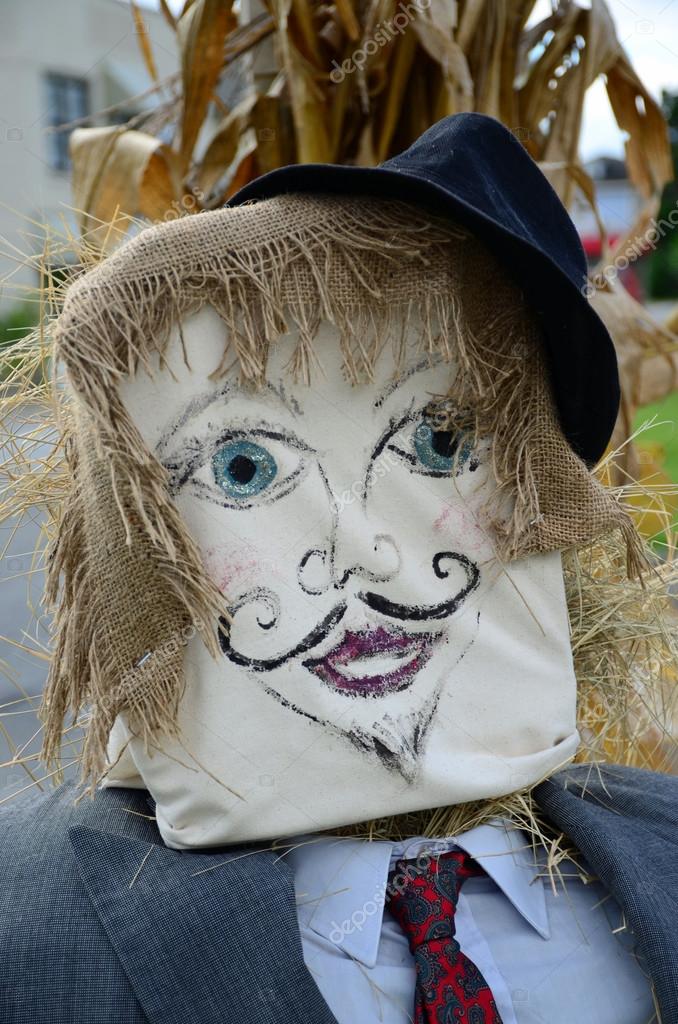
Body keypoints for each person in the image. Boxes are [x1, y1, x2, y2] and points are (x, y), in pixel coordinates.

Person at [1, 114, 676, 1024]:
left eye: (441, 443)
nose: (367, 559)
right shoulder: (31, 931)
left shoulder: (658, 850)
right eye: (243, 469)